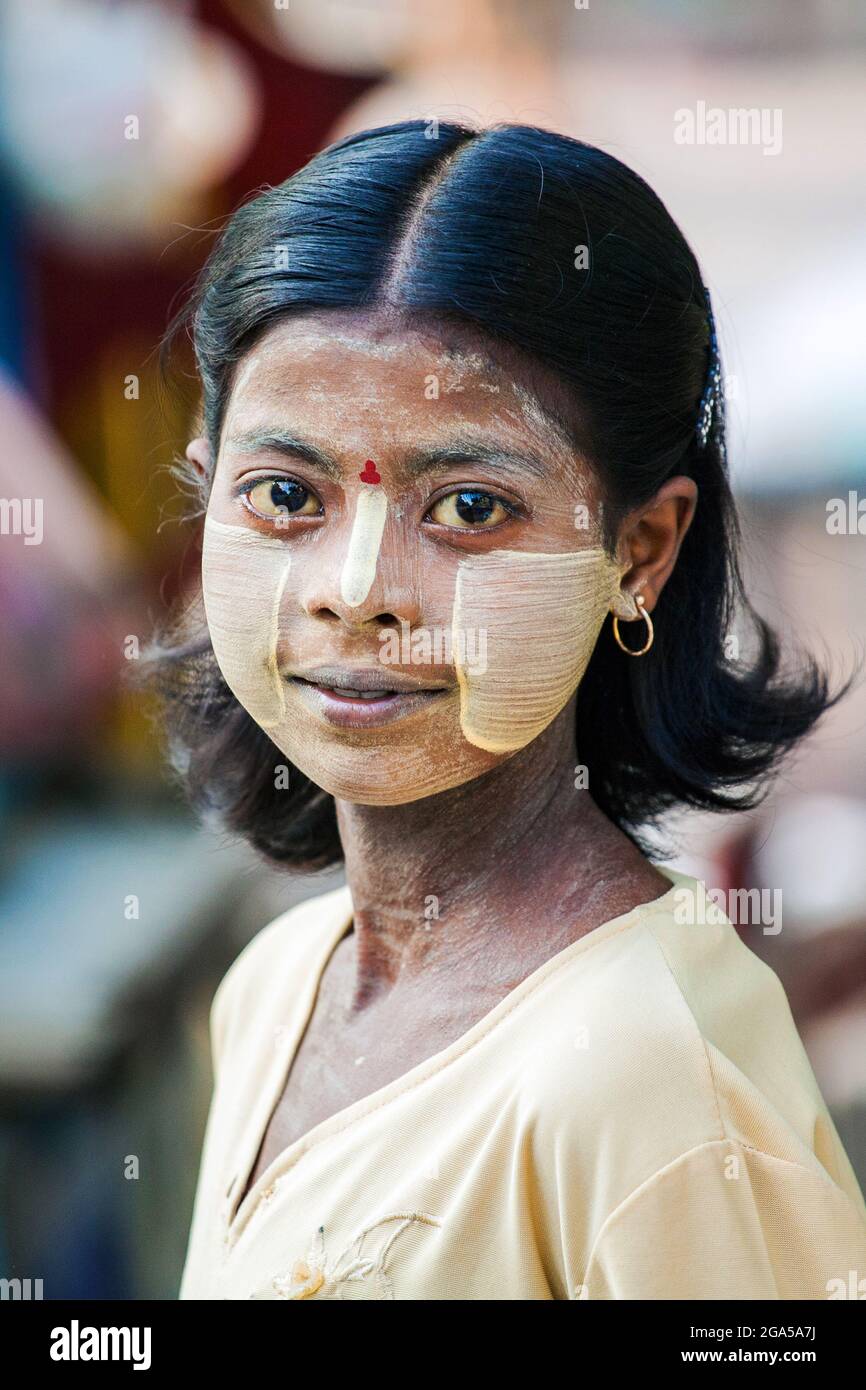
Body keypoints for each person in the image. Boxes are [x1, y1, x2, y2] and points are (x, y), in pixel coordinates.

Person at [150, 120, 866, 1299]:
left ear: (637, 552)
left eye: (470, 508)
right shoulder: (278, 988)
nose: (356, 591)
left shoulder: (646, 1085)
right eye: (285, 494)